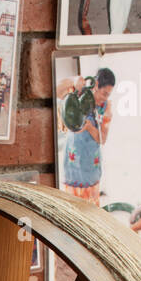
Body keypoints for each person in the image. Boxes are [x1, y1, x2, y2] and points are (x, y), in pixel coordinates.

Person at [57, 67, 115, 205]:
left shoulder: (106, 107)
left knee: (90, 213)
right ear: (95, 86)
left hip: (91, 169)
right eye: (104, 93)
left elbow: (103, 139)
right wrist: (73, 80)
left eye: (108, 94)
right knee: (71, 210)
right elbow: (57, 91)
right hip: (72, 166)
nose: (105, 98)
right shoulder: (77, 95)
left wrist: (89, 126)